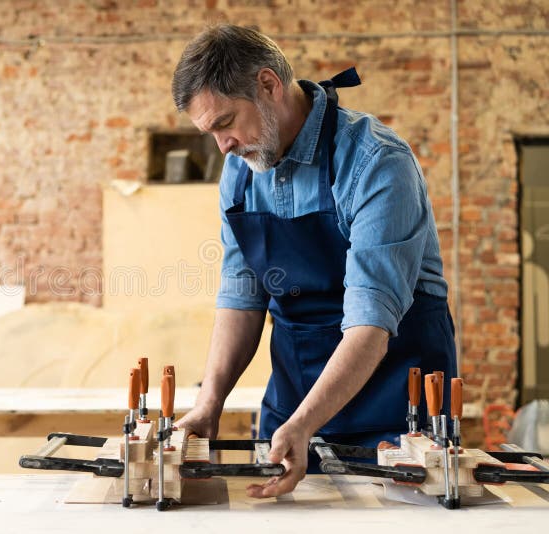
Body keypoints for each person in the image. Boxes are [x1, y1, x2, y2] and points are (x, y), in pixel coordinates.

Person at [171, 24, 457, 497]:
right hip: (295, 400)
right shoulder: (240, 173)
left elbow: (370, 322)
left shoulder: (375, 163)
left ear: (268, 85)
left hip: (396, 405)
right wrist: (209, 403)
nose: (222, 146)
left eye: (224, 123)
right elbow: (242, 295)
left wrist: (306, 424)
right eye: (209, 133)